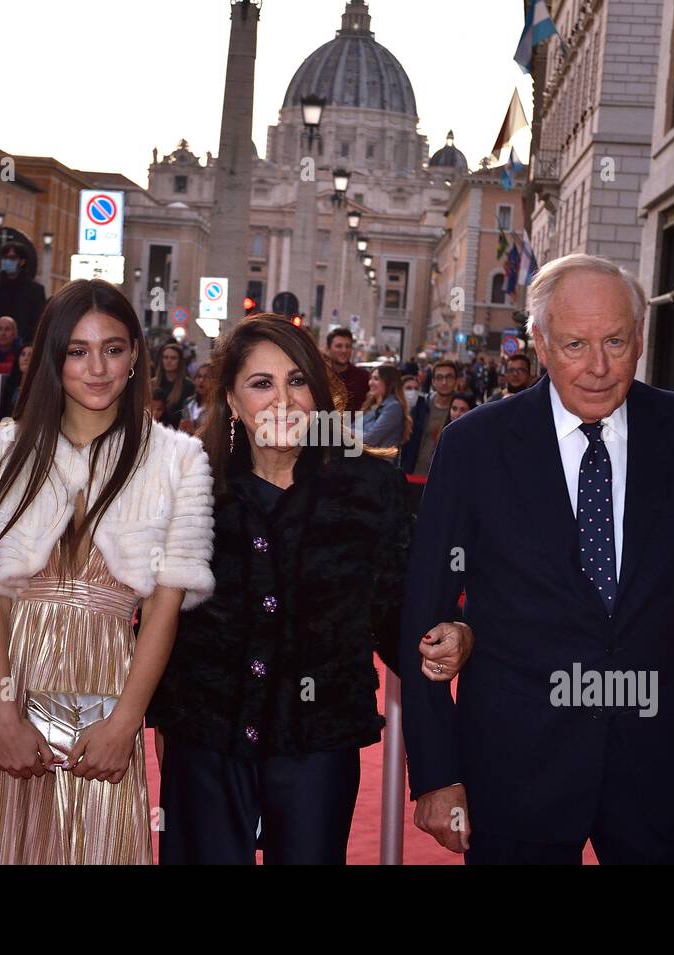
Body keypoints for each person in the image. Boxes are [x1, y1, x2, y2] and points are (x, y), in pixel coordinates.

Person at [402, 253, 674, 865]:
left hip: (659, 762)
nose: (596, 367)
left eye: (615, 341)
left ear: (640, 337)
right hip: (513, 765)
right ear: (538, 341)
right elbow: (422, 614)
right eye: (573, 344)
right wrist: (436, 774)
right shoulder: (473, 445)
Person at [147, 315, 468, 864]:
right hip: (206, 742)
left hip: (318, 744)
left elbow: (398, 620)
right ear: (230, 396)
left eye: (297, 381)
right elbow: (156, 617)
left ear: (319, 393)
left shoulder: (369, 487)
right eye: (260, 383)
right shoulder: (189, 482)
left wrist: (452, 635)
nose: (283, 400)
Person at [0, 278, 215, 865]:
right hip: (5, 686)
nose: (97, 368)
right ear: (52, 357)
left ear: (136, 355)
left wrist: (125, 723)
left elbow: (165, 607)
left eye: (113, 348)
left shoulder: (177, 460)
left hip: (109, 694)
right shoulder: (0, 452)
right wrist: (2, 719)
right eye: (77, 351)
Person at [402, 359, 457, 477]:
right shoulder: (420, 405)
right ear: (433, 381)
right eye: (439, 377)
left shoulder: (461, 409)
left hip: (444, 477)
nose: (444, 382)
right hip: (415, 473)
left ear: (455, 381)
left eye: (449, 377)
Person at [0, 242, 46, 343]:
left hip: (23, 344)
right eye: (5, 258)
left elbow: (38, 321)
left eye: (12, 258)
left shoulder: (35, 290)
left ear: (22, 261)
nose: (7, 261)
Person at [359, 364, 411, 457]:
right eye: (371, 378)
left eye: (376, 379)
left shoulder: (393, 407)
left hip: (379, 466)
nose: (370, 383)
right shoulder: (370, 405)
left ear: (389, 382)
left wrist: (348, 434)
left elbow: (370, 439)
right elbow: (352, 428)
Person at [325, 327, 370, 412]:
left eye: (348, 346)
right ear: (328, 349)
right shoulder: (320, 376)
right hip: (323, 424)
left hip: (356, 424)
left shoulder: (364, 377)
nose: (344, 350)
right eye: (339, 346)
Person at [152, 342, 195, 429]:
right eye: (165, 357)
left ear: (180, 361)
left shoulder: (188, 386)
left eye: (173, 358)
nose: (169, 361)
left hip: (176, 432)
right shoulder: (152, 383)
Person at [0, 344, 33, 420]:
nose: (25, 358)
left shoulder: (42, 387)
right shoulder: (11, 384)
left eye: (30, 355)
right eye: (23, 354)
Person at [179, 361, 212, 436]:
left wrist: (194, 431)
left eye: (207, 377)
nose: (201, 380)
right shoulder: (188, 402)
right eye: (199, 376)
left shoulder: (219, 407)